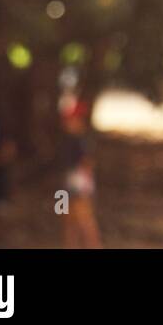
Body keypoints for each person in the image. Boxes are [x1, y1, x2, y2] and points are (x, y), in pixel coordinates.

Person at [60, 99, 101, 248]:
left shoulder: (82, 140)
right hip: (66, 183)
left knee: (85, 219)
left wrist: (85, 187)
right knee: (66, 216)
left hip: (78, 182)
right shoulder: (67, 139)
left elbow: (88, 164)